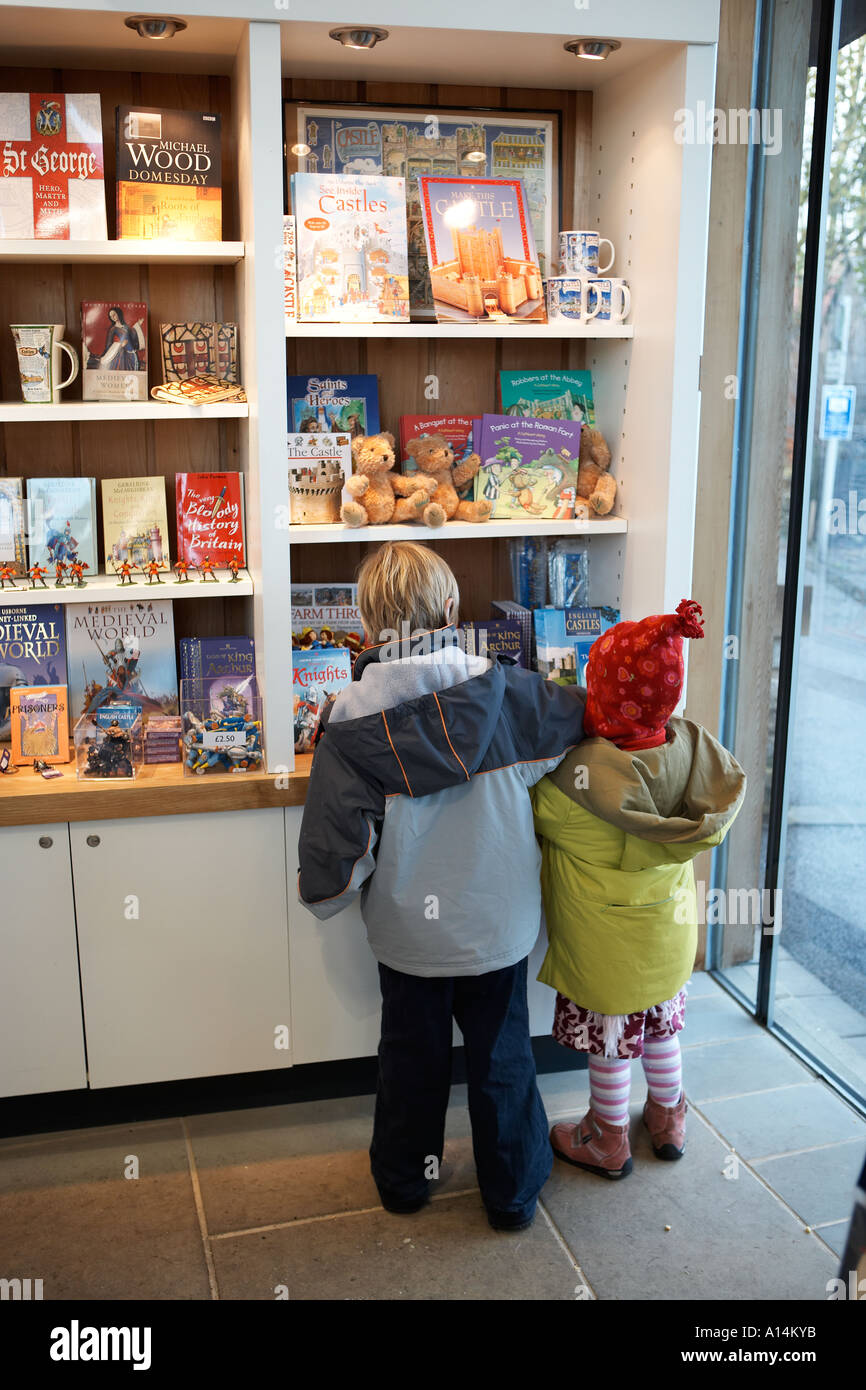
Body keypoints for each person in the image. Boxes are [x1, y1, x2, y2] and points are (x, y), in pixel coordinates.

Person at [298, 541, 585, 1231]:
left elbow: (335, 857)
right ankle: (512, 1195)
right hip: (498, 927)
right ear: (453, 609)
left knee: (410, 1061)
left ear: (366, 628)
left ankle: (403, 1182)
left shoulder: (347, 727)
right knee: (504, 1059)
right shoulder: (512, 695)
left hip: (409, 938)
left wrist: (323, 894)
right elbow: (582, 720)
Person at [531, 600, 747, 1179]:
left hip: (605, 947)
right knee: (658, 1028)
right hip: (667, 939)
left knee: (610, 1040)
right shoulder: (689, 756)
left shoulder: (576, 782)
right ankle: (668, 1116)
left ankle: (607, 1136)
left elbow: (535, 814)